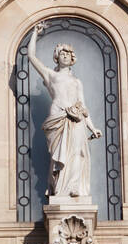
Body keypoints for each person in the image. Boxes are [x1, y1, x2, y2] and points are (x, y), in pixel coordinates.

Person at [27, 24, 101, 200]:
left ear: (72, 57)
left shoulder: (77, 81)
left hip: (76, 118)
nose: (65, 55)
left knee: (76, 152)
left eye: (68, 53)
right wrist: (35, 34)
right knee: (58, 155)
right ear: (56, 57)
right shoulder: (50, 75)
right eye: (62, 53)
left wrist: (92, 127)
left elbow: (83, 106)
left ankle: (73, 187)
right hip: (58, 117)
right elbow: (31, 56)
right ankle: (59, 188)